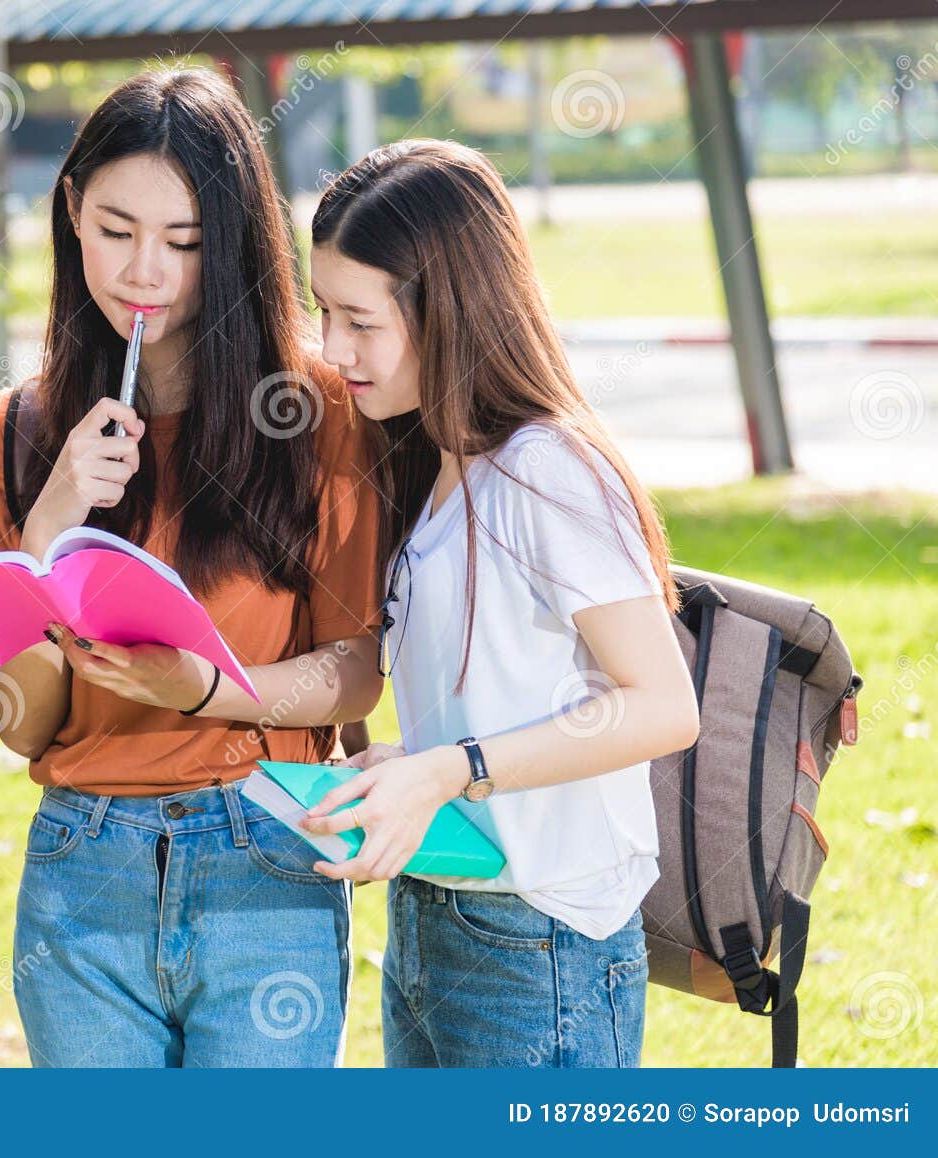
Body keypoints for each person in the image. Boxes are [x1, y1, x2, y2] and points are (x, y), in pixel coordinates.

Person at [0, 69, 384, 1068]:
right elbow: (19, 724)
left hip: (266, 843)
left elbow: (355, 670)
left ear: (229, 244)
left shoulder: (318, 412)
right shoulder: (10, 436)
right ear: (67, 213)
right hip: (82, 862)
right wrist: (48, 527)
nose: (145, 272)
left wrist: (205, 693)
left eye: (183, 243)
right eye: (114, 229)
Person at [304, 139, 700, 1068]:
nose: (331, 350)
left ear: (449, 313)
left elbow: (662, 705)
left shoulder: (546, 470)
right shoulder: (437, 464)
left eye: (359, 320)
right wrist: (414, 761)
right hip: (442, 908)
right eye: (324, 311)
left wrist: (453, 768)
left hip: (543, 940)